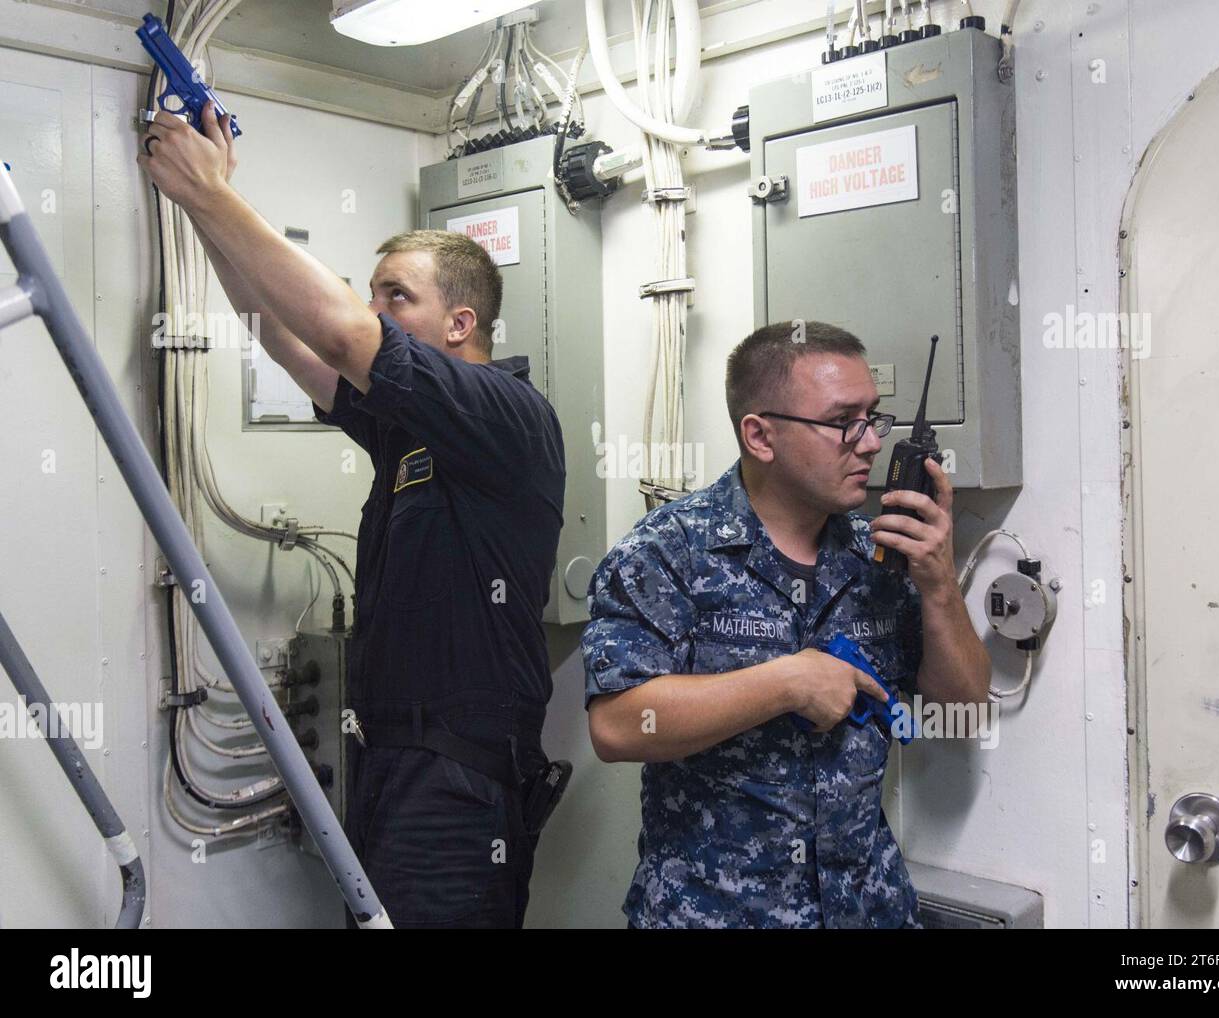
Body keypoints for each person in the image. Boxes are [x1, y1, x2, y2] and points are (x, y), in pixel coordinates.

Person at [139, 102, 565, 928]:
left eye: (395, 297)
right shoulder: (407, 425)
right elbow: (278, 334)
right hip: (392, 763)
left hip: (461, 782)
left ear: (460, 323)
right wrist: (199, 201)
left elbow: (338, 335)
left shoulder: (504, 414)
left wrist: (218, 192)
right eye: (373, 295)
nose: (375, 311)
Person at [582, 320, 991, 928]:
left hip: (867, 909)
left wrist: (937, 580)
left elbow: (965, 708)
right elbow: (617, 726)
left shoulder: (875, 556)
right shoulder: (670, 551)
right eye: (842, 422)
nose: (871, 443)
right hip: (718, 912)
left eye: (873, 418)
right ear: (761, 436)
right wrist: (788, 683)